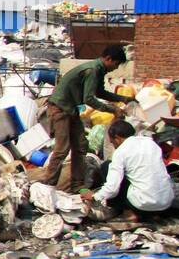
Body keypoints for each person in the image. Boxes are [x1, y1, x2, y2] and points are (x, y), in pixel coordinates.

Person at [36, 44, 131, 191]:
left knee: (80, 146)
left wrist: (122, 99)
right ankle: (48, 184)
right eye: (116, 64)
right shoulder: (93, 70)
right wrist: (112, 109)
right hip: (60, 108)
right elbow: (89, 99)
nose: (115, 68)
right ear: (108, 59)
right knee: (62, 148)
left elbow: (99, 92)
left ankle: (77, 185)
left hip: (70, 109)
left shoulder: (99, 70)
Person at [81, 120, 174, 221]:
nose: (114, 146)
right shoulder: (151, 143)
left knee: (106, 166)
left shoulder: (121, 152)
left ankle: (129, 212)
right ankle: (152, 214)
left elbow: (112, 188)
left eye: (112, 142)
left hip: (143, 204)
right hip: (166, 202)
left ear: (117, 138)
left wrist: (95, 196)